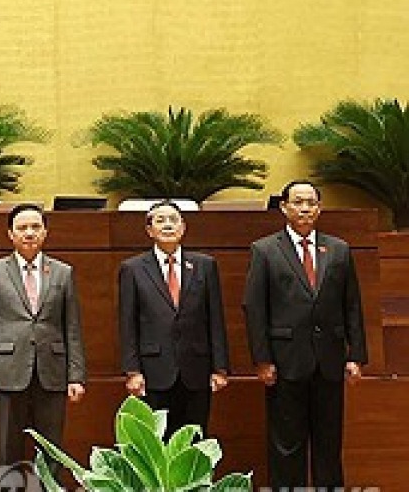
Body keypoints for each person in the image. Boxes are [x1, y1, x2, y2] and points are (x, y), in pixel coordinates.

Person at [243, 180, 367, 489]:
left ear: (320, 208)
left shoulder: (339, 249)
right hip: (285, 361)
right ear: (284, 207)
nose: (305, 208)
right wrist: (262, 358)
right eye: (298, 202)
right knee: (286, 444)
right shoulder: (265, 250)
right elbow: (255, 307)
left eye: (311, 202)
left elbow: (352, 304)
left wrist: (357, 356)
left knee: (328, 442)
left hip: (329, 359)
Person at [0, 203, 86, 468]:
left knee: (51, 450)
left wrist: (77, 376)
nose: (29, 233)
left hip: (52, 372)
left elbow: (73, 328)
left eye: (35, 227)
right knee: (7, 449)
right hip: (9, 372)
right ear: (10, 234)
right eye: (22, 227)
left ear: (45, 232)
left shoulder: (63, 272)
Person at [118, 200, 229, 437]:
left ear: (183, 227)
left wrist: (220, 367)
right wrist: (132, 370)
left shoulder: (204, 265)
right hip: (153, 371)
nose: (168, 225)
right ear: (149, 230)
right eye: (160, 220)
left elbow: (215, 318)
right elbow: (128, 322)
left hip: (196, 369)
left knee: (195, 440)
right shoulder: (133, 269)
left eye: (173, 220)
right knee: (158, 442)